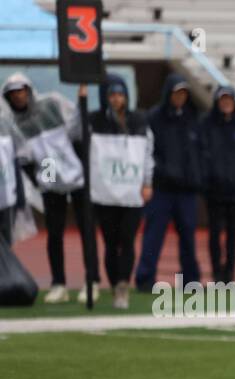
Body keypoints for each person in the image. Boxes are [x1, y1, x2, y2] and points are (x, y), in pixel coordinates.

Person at [2, 73, 87, 302]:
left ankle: (92, 281)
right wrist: (43, 180)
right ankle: (59, 283)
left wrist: (82, 102)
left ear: (29, 90)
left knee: (86, 229)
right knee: (55, 232)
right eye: (13, 93)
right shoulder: (14, 123)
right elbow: (26, 157)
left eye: (21, 91)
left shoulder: (52, 103)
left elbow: (75, 128)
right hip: (50, 175)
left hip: (74, 171)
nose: (18, 96)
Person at [87, 74, 153, 309]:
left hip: (130, 192)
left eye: (120, 95)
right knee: (110, 242)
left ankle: (124, 284)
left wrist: (147, 182)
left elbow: (147, 153)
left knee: (127, 240)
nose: (116, 100)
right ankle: (114, 283)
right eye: (112, 95)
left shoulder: (139, 120)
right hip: (104, 193)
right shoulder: (94, 120)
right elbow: (75, 135)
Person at [134, 74, 205, 291]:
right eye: (176, 93)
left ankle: (190, 280)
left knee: (188, 236)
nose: (180, 97)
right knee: (153, 235)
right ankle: (145, 278)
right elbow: (147, 150)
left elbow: (199, 150)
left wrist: (196, 175)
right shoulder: (154, 117)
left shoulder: (193, 117)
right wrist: (162, 172)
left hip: (186, 189)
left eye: (183, 93)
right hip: (161, 188)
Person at [201, 85, 235, 282]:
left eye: (229, 99)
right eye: (222, 99)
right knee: (215, 232)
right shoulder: (207, 124)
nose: (226, 103)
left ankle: (230, 271)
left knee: (233, 233)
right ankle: (216, 270)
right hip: (214, 189)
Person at [0, 111, 23, 247]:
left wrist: (20, 195)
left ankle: (6, 268)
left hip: (6, 199)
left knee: (6, 241)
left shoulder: (5, 128)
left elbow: (15, 164)